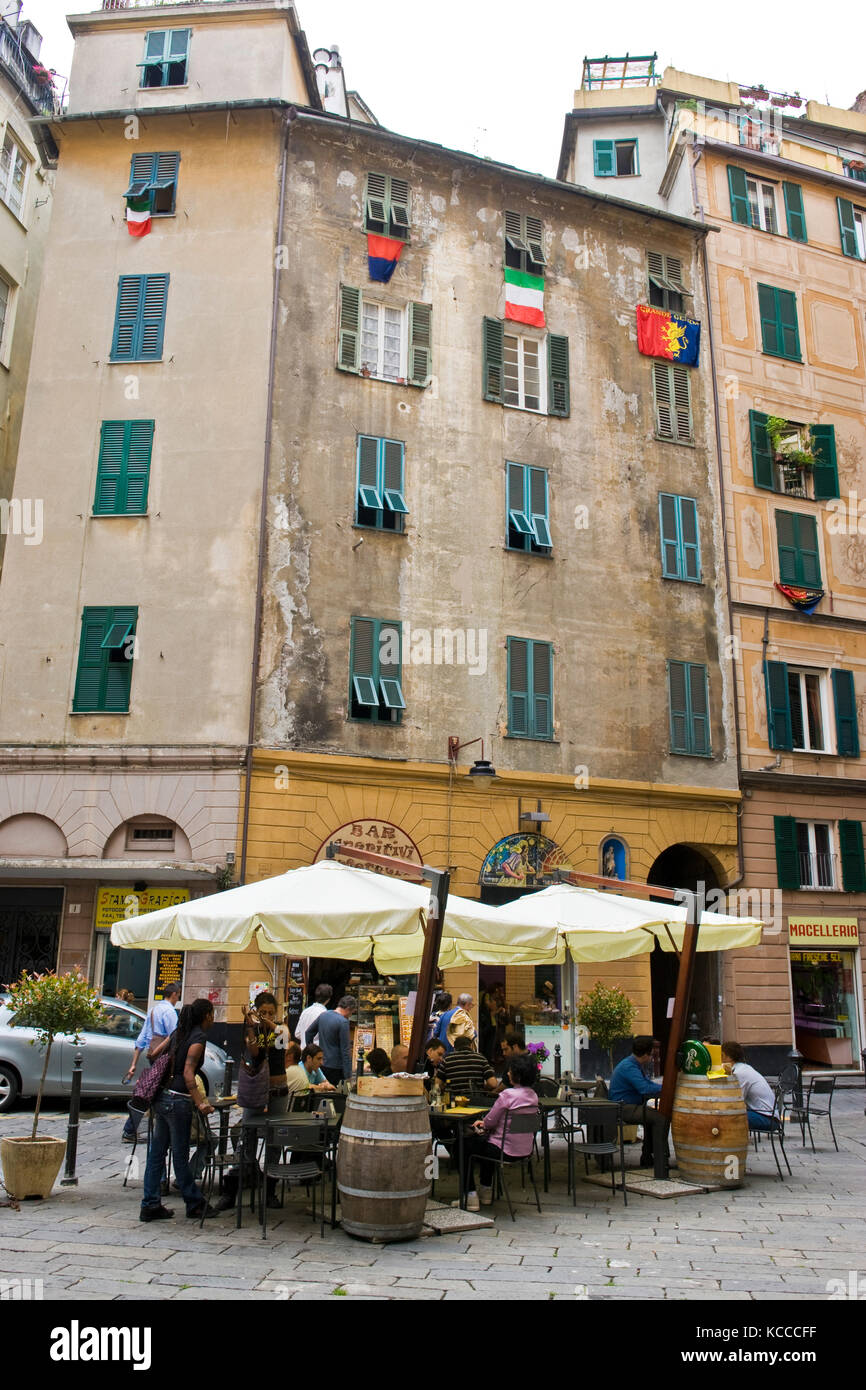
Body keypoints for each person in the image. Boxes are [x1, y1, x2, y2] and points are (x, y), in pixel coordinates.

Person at [139, 998, 216, 1222]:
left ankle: (150, 1204)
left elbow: (152, 1055)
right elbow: (189, 1072)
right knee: (180, 1155)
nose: (213, 1018)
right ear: (207, 1016)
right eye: (212, 1014)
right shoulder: (198, 1038)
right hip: (179, 1100)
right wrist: (201, 1102)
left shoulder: (177, 1033)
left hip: (162, 1097)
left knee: (157, 1154)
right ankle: (194, 1202)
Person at [459, 1054, 540, 1210]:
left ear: (517, 1075)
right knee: (486, 1144)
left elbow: (489, 1122)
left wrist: (483, 1123)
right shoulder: (533, 1096)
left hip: (504, 1150)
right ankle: (486, 1191)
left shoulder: (507, 1095)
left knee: (464, 1145)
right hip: (525, 1150)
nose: (507, 1073)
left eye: (510, 1071)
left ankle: (470, 1196)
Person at [121, 981, 182, 1142]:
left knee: (151, 1093)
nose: (178, 998)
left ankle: (157, 1129)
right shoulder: (169, 1012)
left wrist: (133, 1063)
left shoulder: (154, 1010)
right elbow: (174, 1036)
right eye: (178, 995)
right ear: (174, 994)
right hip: (163, 1058)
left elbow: (142, 1038)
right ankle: (130, 1130)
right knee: (149, 1094)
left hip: (153, 1057)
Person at [609, 1035, 663, 1167]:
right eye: (651, 1054)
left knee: (653, 1116)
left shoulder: (633, 1064)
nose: (652, 1058)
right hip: (624, 1107)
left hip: (627, 1104)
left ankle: (648, 1156)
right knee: (659, 1118)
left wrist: (662, 1088)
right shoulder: (630, 1067)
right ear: (646, 1054)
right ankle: (657, 1157)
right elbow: (645, 1088)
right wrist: (666, 1089)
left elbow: (646, 1084)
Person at [721, 1041, 775, 1130]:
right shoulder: (742, 1067)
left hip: (767, 1118)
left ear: (729, 1057)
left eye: (722, 1055)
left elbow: (736, 1100)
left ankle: (729, 1141)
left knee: (728, 1116)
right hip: (764, 1114)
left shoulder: (739, 1073)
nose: (720, 1059)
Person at [310, 995, 355, 1083]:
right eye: (352, 1013)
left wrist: (312, 1050)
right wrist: (348, 1075)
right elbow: (345, 1050)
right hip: (336, 1066)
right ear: (348, 1008)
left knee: (323, 1089)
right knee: (334, 1093)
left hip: (322, 1063)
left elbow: (309, 1032)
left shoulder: (324, 1015)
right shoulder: (343, 1022)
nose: (350, 1015)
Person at [296, 982, 333, 1048]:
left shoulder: (305, 1011)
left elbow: (297, 1033)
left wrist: (304, 1040)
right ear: (328, 999)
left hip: (304, 1051)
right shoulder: (325, 1014)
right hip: (317, 1052)